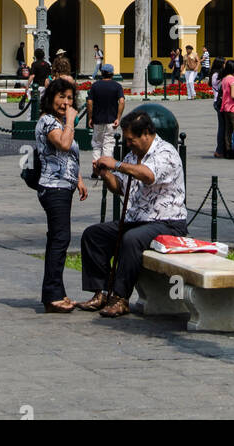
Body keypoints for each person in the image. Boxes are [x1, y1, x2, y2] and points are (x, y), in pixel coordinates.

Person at [80, 111, 188, 318]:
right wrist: (106, 173)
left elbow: (148, 175)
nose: (128, 144)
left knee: (132, 240)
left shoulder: (166, 152)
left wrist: (117, 164)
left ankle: (120, 298)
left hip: (167, 222)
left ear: (146, 133)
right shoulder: (133, 155)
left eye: (131, 139)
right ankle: (100, 292)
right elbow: (119, 187)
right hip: (138, 219)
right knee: (93, 235)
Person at [35, 78, 88, 313]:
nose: (66, 102)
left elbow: (67, 157)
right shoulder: (48, 122)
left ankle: (56, 292)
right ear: (50, 98)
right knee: (60, 239)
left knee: (58, 239)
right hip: (53, 188)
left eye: (69, 98)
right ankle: (53, 296)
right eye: (61, 97)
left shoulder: (58, 122)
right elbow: (64, 145)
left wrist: (78, 179)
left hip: (63, 186)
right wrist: (70, 121)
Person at [86, 63, 125, 161]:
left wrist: (90, 117)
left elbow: (89, 102)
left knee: (97, 145)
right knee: (109, 144)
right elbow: (122, 101)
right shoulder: (117, 86)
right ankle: (105, 168)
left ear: (102, 73)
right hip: (111, 120)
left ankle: (96, 168)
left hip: (97, 119)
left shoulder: (95, 86)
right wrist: (118, 118)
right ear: (112, 74)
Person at [210, 57, 227, 157]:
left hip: (218, 101)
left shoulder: (217, 75)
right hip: (219, 101)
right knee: (222, 127)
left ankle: (221, 149)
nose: (225, 65)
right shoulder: (216, 75)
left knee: (223, 127)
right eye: (224, 63)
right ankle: (219, 150)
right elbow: (219, 87)